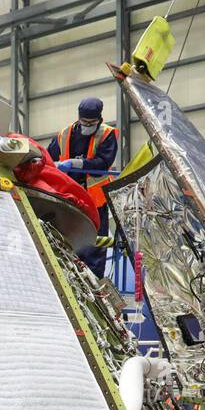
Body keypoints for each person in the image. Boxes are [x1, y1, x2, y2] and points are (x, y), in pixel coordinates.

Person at [48, 96, 119, 277]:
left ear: (99, 119)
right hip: (69, 197)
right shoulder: (64, 134)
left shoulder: (107, 134)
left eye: (91, 123)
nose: (87, 126)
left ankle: (94, 281)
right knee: (70, 239)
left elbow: (103, 163)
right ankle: (71, 278)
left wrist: (76, 163)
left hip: (95, 199)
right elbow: (49, 157)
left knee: (94, 244)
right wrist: (55, 165)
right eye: (84, 122)